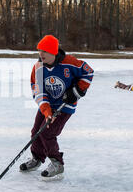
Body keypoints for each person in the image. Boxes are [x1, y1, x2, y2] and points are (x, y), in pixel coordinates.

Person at [20, 35, 94, 177]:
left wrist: (77, 90)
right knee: (36, 131)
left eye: (45, 51)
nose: (41, 54)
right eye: (39, 50)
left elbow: (88, 72)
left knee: (48, 133)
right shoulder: (38, 68)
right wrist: (46, 110)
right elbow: (38, 92)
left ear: (54, 52)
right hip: (47, 104)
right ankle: (37, 158)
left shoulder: (70, 62)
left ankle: (57, 163)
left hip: (65, 105)